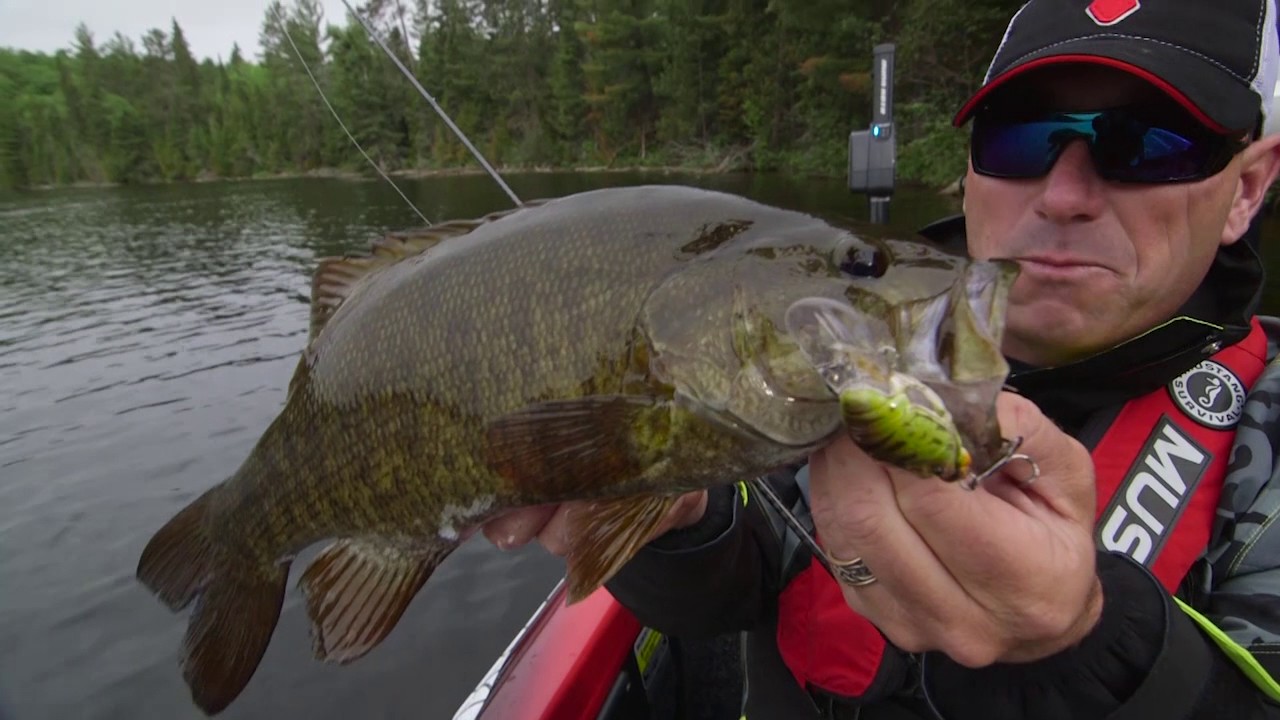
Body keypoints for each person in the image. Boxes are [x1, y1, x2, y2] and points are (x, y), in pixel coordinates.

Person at [484, 0, 1280, 716]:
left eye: (1146, 146)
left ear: (1246, 189)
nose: (1064, 194)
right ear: (971, 172)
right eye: (1024, 137)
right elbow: (738, 579)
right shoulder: (834, 328)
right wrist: (672, 525)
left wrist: (1095, 642)